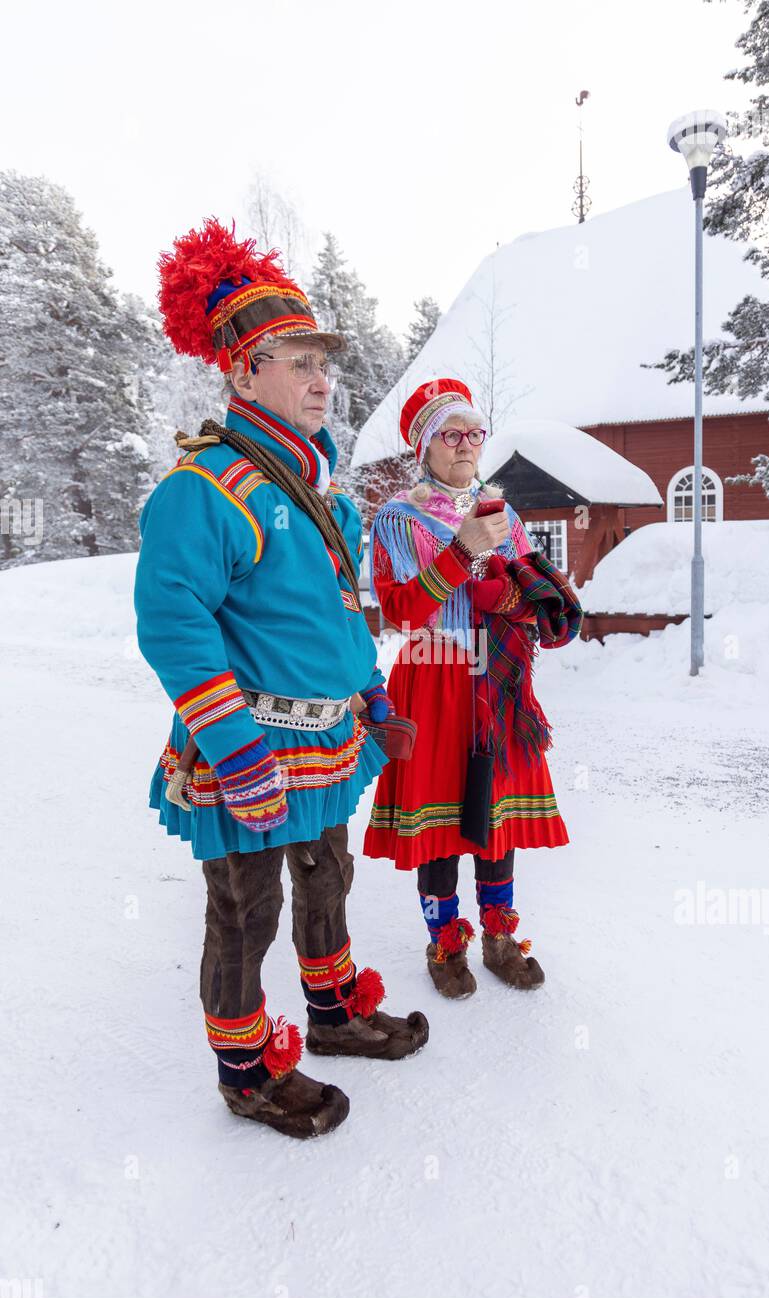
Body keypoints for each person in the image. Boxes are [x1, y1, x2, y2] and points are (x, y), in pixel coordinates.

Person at [134, 219, 428, 1140]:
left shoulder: (327, 494)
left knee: (328, 877)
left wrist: (370, 695)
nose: (320, 379)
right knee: (245, 910)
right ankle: (247, 1071)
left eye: (322, 363)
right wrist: (233, 745)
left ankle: (335, 1016)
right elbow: (172, 623)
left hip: (325, 743)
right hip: (248, 751)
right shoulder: (205, 488)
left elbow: (338, 614)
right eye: (296, 361)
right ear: (242, 373)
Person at [363, 379, 582, 999]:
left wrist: (523, 595)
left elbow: (521, 585)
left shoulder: (503, 513)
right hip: (433, 677)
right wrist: (462, 552)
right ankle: (445, 942)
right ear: (424, 446)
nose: (466, 445)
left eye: (474, 434)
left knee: (495, 814)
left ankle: (500, 937)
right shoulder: (398, 519)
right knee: (439, 820)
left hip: (499, 678)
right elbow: (404, 614)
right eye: (450, 434)